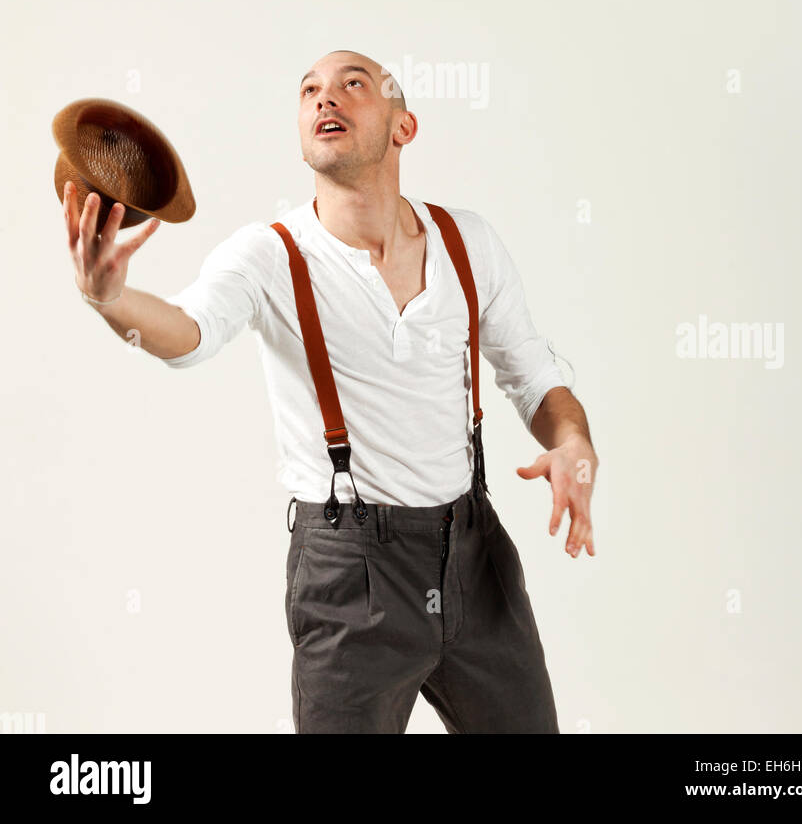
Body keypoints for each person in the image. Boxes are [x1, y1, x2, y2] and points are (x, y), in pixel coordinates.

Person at [62, 48, 599, 734]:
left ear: (403, 127)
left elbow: (533, 376)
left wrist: (573, 441)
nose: (325, 98)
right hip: (351, 575)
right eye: (309, 90)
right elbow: (188, 333)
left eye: (353, 84)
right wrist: (111, 300)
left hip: (475, 555)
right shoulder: (269, 253)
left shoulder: (470, 242)